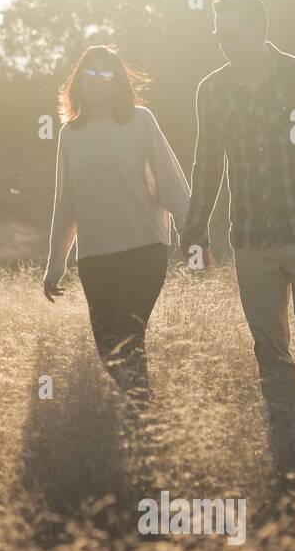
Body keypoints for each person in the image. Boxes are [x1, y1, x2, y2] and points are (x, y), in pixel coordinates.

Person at [179, 0, 295, 470]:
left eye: (233, 34)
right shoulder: (211, 90)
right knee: (269, 346)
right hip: (250, 240)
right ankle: (291, 438)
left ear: (260, 29)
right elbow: (206, 165)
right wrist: (195, 228)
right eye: (218, 35)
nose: (224, 43)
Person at [43, 45, 190, 405]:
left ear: (117, 82)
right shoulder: (69, 135)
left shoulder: (140, 121)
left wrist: (193, 234)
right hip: (95, 256)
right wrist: (55, 264)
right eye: (89, 76)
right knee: (108, 345)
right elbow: (66, 203)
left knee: (129, 332)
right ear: (78, 82)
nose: (96, 83)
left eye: (105, 76)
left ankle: (142, 418)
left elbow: (170, 181)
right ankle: (137, 411)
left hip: (145, 246)